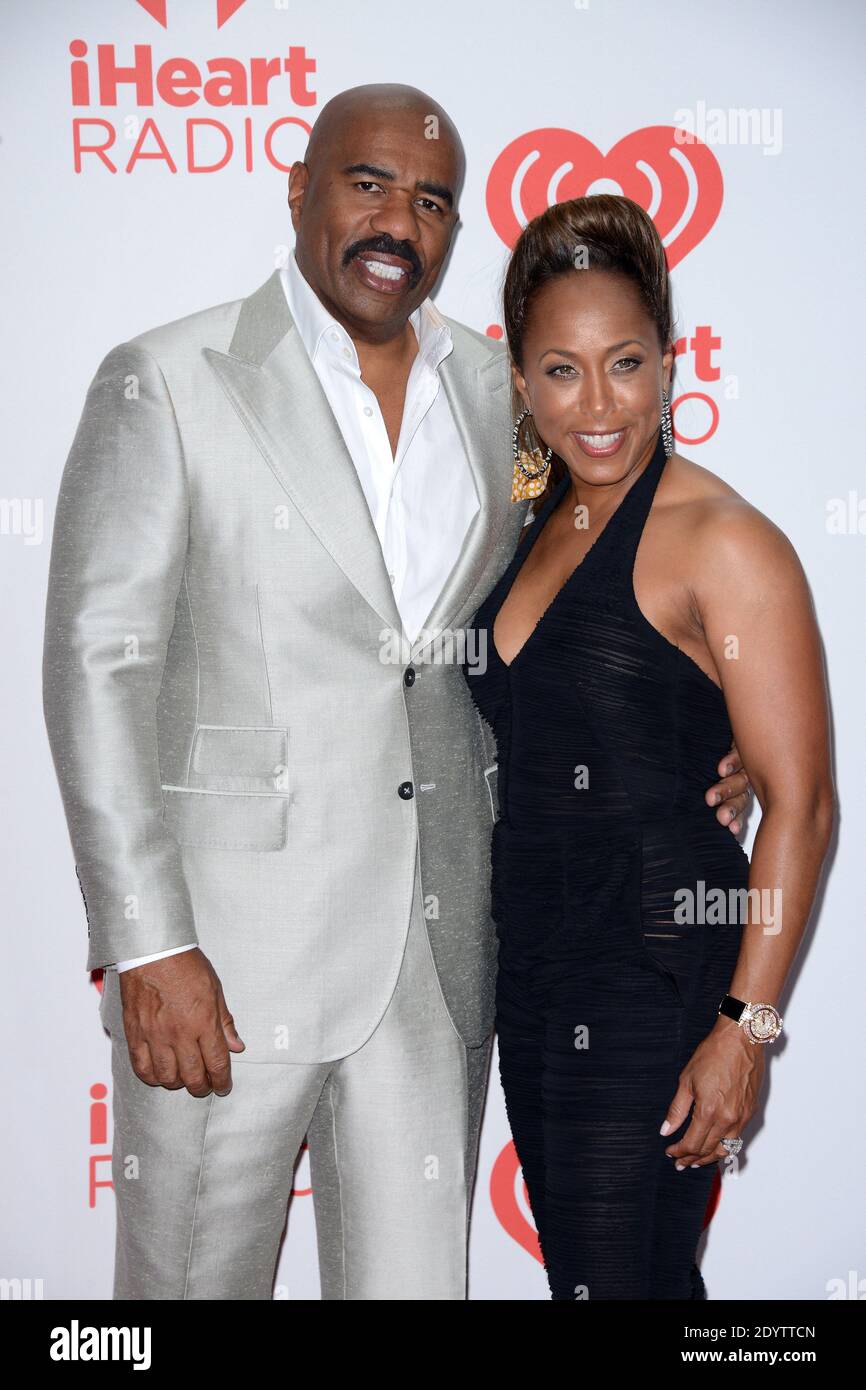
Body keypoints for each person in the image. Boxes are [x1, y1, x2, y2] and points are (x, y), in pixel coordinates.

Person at [42, 89, 751, 1301]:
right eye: (367, 182)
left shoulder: (501, 392)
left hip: (437, 960)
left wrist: (709, 722)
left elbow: (601, 560)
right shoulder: (166, 379)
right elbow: (96, 668)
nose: (398, 221)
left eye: (430, 200)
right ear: (298, 186)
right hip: (222, 964)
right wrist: (148, 937)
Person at [464, 193, 835, 1300]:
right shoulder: (531, 519)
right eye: (562, 370)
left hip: (655, 969)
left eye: (624, 362)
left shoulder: (723, 541)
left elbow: (801, 808)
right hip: (530, 972)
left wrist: (742, 1031)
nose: (598, 404)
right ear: (520, 381)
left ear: (669, 366)